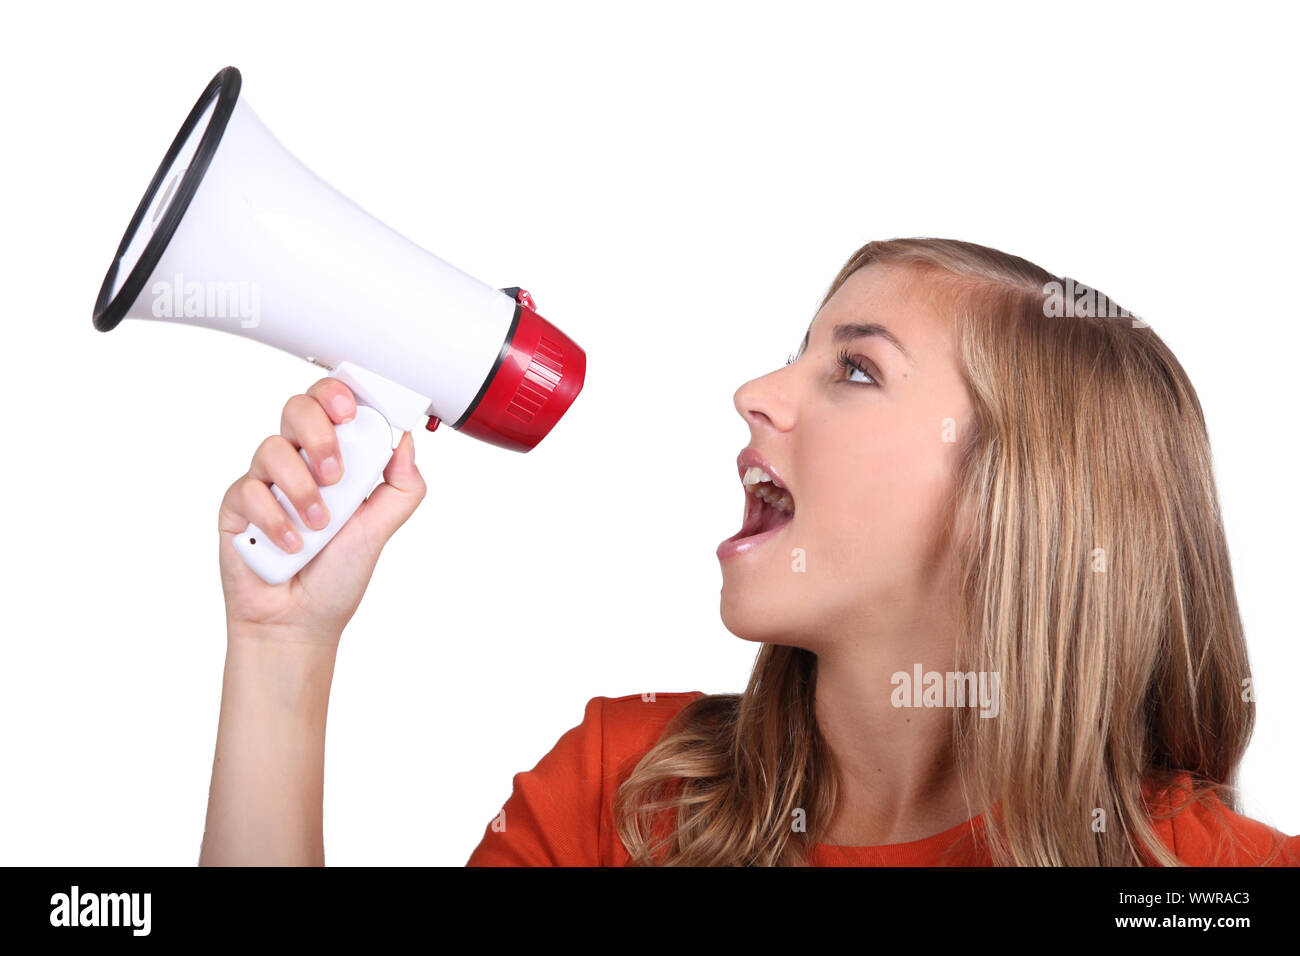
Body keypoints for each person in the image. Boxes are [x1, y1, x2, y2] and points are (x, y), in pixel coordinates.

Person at [199, 237, 1299, 866]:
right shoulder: (623, 794)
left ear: (1020, 494)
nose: (755, 392)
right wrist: (282, 644)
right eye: (796, 353)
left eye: (856, 370)